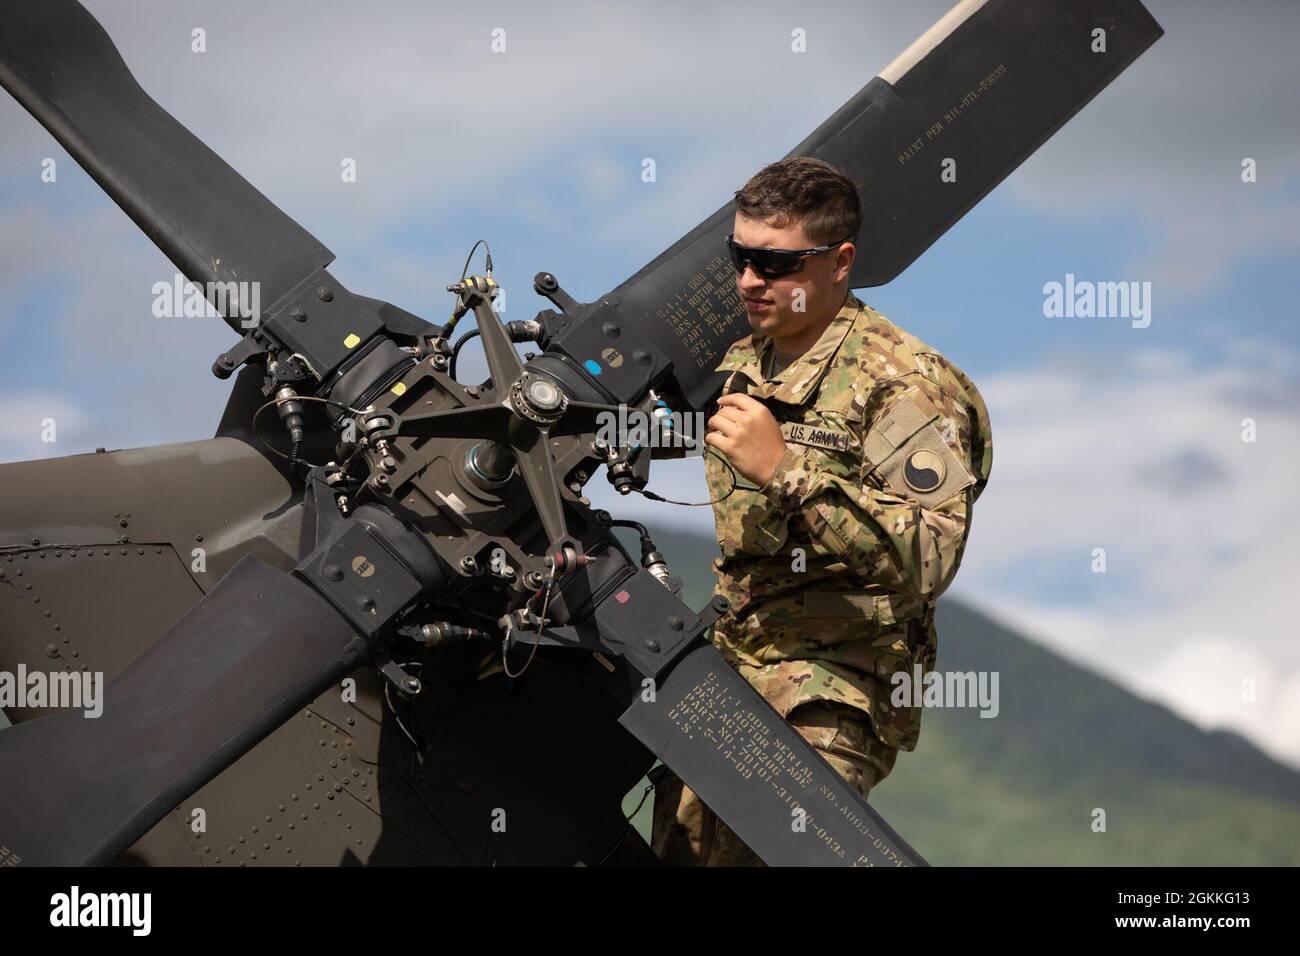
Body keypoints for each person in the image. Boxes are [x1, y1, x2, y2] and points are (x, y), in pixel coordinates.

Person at [650, 156, 993, 866]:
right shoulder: (741, 359)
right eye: (740, 258)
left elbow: (930, 559)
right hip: (727, 665)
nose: (749, 281)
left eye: (777, 264)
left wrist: (787, 472)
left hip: (833, 685)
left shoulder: (904, 385)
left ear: (840, 262)